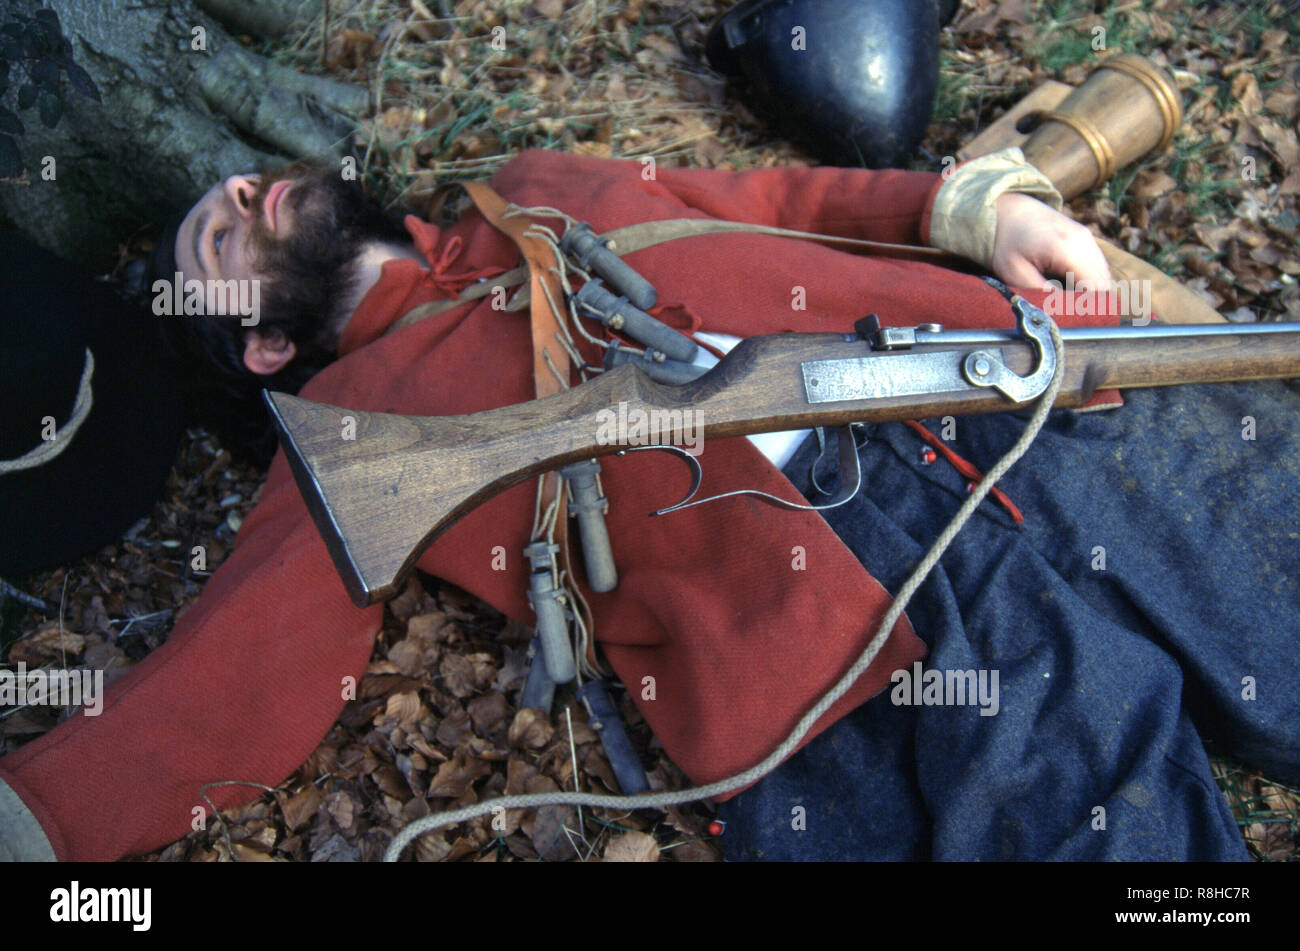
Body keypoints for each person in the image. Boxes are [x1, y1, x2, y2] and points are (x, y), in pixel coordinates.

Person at [1, 148, 1294, 861]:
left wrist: (973, 209)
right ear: (264, 352)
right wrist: (36, 824)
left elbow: (780, 199)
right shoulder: (343, 437)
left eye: (230, 193)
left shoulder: (537, 181)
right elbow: (229, 679)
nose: (235, 202)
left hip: (1014, 407)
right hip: (852, 632)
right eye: (213, 250)